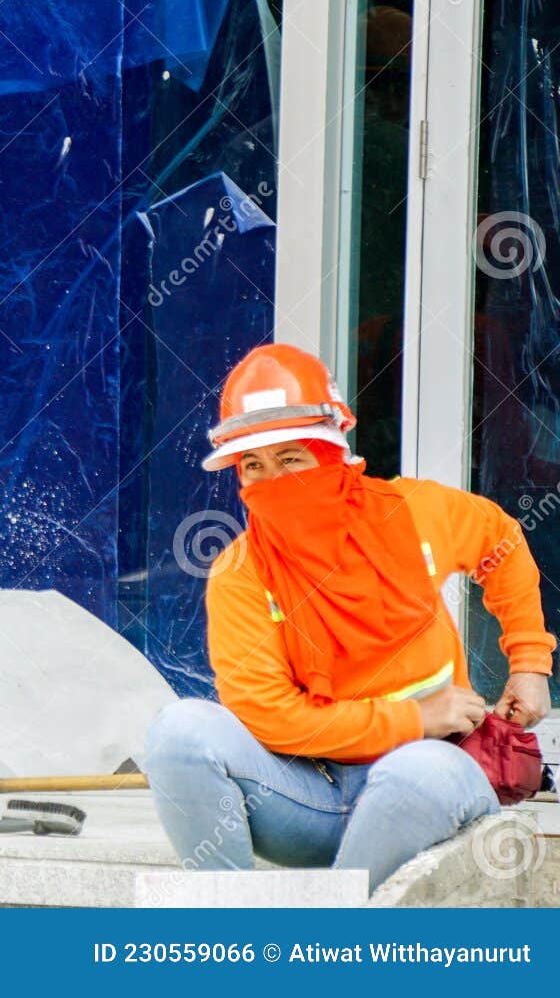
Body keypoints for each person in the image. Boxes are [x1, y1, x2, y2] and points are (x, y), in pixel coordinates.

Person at [145, 344, 556, 890]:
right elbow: (270, 716)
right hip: (310, 801)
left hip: (431, 781)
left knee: (414, 771)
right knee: (178, 732)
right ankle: (223, 937)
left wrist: (529, 663)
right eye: (254, 466)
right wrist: (415, 717)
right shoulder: (240, 570)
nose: (274, 481)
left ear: (331, 451)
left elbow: (500, 540)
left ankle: (335, 950)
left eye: (292, 459)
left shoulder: (409, 514)